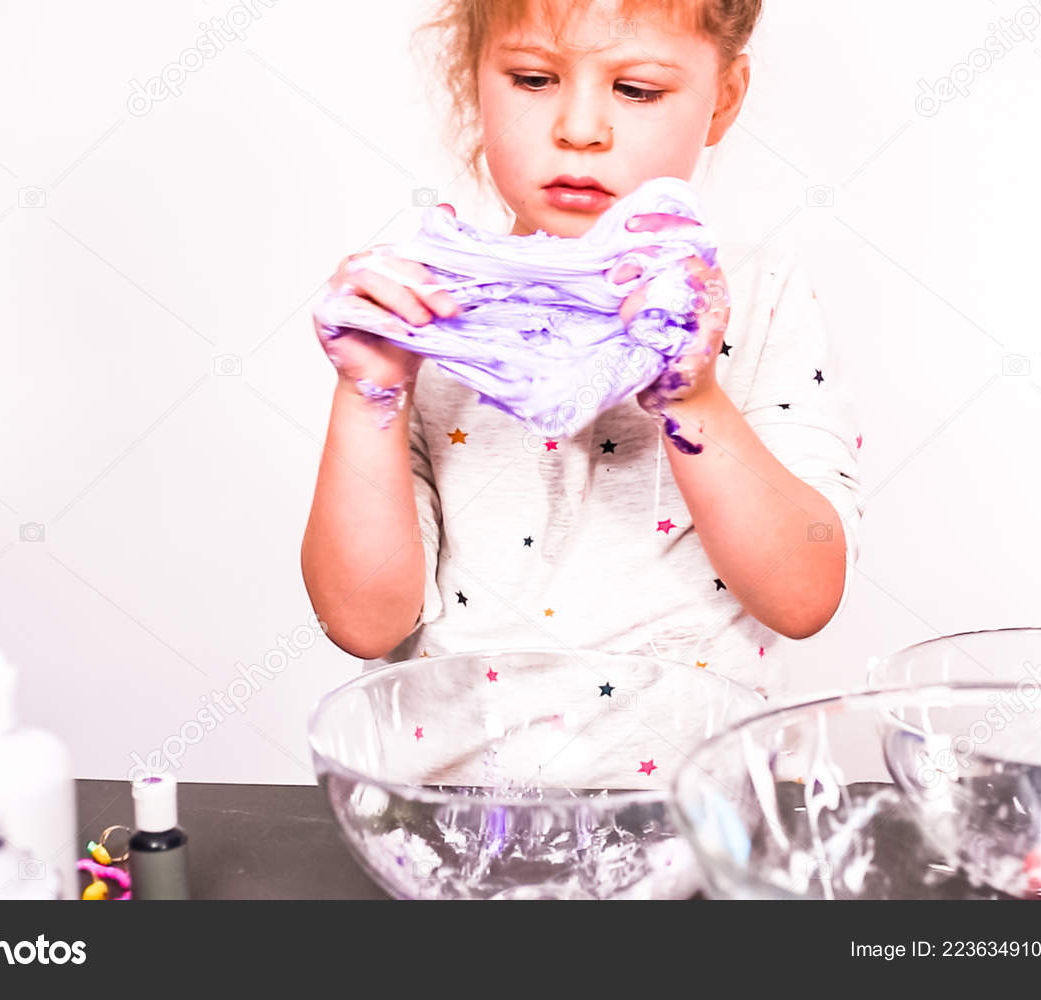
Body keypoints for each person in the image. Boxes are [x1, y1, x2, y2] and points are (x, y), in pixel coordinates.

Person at [302, 0, 864, 698]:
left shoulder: (762, 299)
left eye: (636, 90)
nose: (578, 130)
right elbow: (363, 624)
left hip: (695, 797)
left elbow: (804, 598)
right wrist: (369, 396)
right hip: (454, 797)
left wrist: (693, 397)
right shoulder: (424, 317)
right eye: (533, 79)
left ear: (724, 97)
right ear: (475, 79)